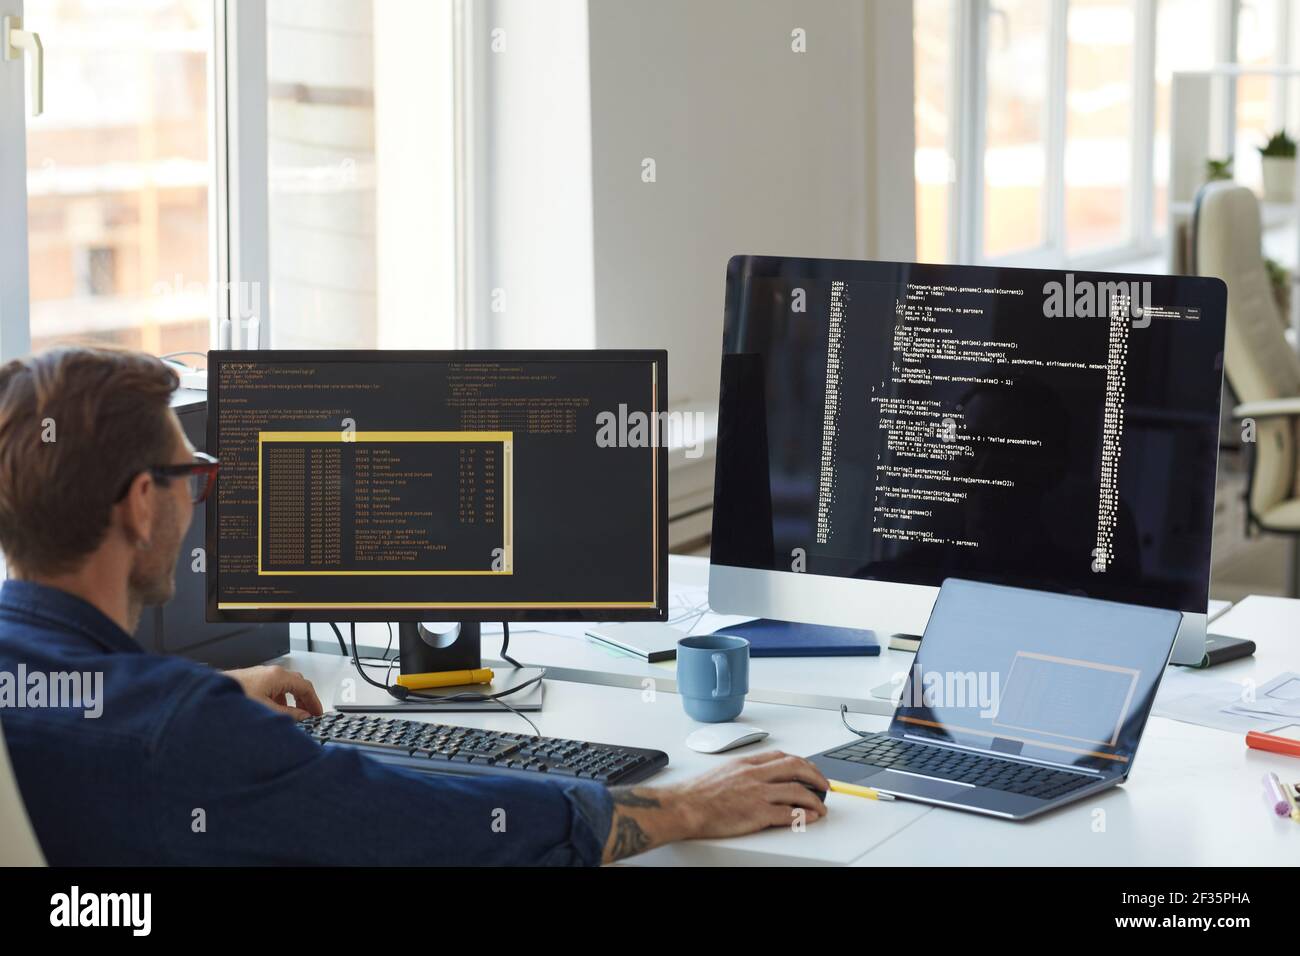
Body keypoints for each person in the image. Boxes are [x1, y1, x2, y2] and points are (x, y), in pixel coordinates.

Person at [0, 346, 829, 865]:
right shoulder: (180, 733)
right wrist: (685, 805)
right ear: (143, 504)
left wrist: (213, 700)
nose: (197, 504)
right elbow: (424, 826)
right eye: (195, 479)